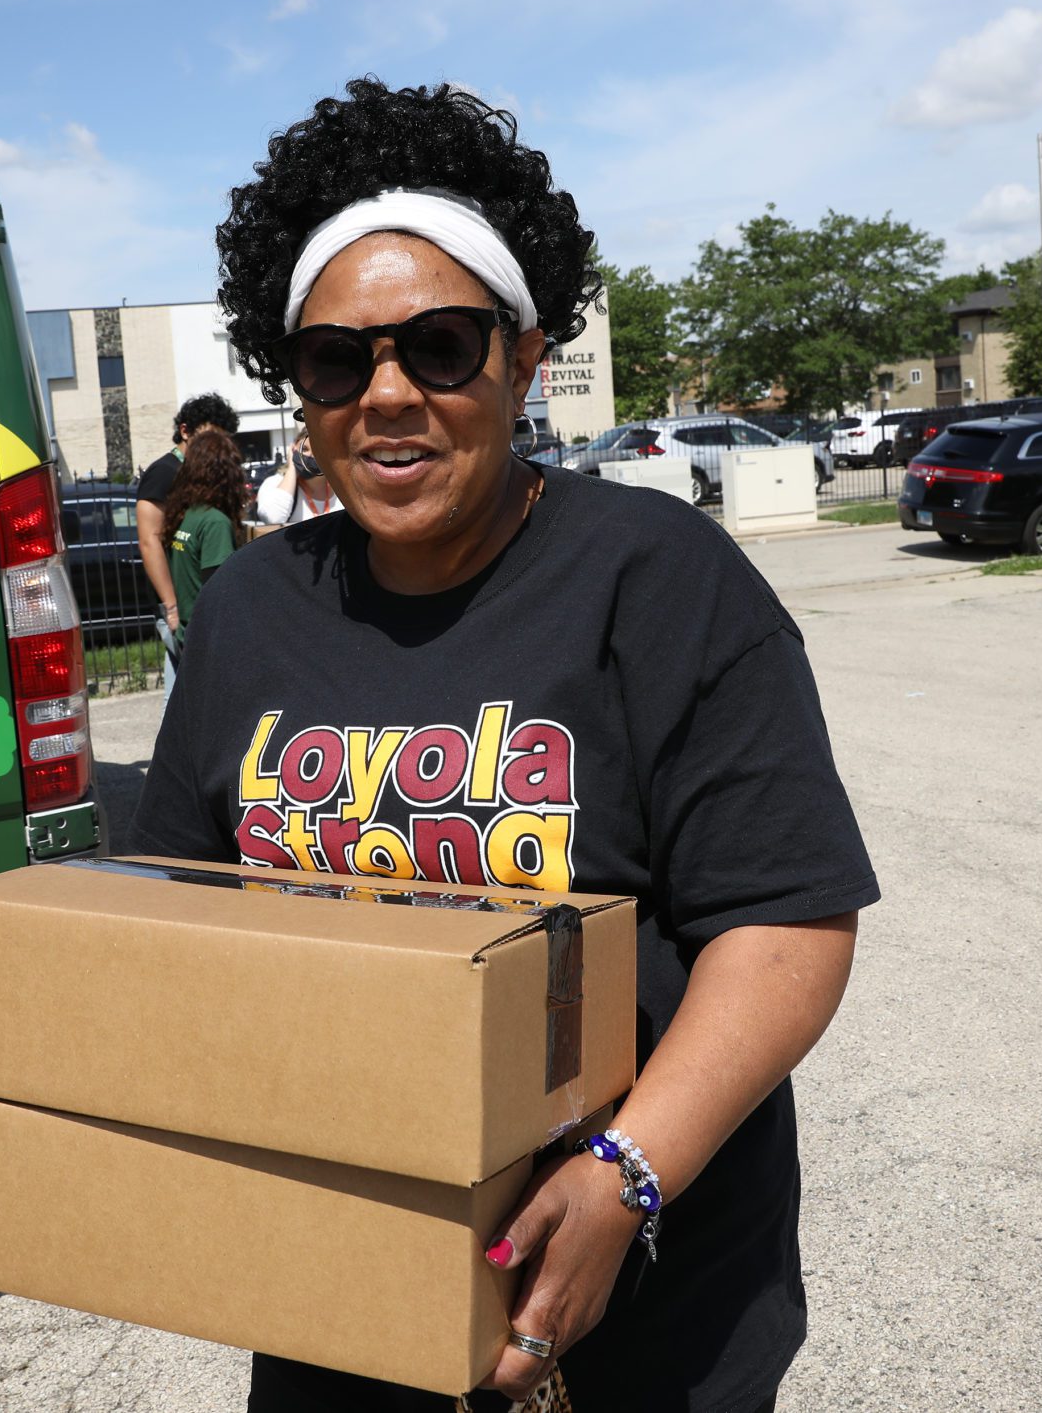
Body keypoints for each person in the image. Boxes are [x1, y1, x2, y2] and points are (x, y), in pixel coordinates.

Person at [132, 78, 878, 1413]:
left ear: (524, 357)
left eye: (439, 346)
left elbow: (784, 923)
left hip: (648, 1317)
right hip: (342, 1308)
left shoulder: (658, 579)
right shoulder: (247, 613)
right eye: (336, 361)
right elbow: (176, 929)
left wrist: (625, 1174)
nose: (387, 395)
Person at [136, 393, 239, 687]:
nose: (217, 446)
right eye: (211, 437)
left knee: (180, 693)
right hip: (178, 608)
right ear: (185, 431)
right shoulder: (164, 472)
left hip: (186, 607)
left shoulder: (192, 474)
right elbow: (149, 540)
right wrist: (172, 606)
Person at [162, 429, 248, 650]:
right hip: (209, 640)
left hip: (188, 633)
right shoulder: (214, 523)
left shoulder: (185, 515)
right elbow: (220, 592)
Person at [255, 410, 344, 526]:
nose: (310, 455)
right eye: (304, 449)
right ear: (293, 449)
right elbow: (273, 518)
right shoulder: (274, 483)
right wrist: (292, 467)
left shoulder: (342, 486)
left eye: (317, 450)